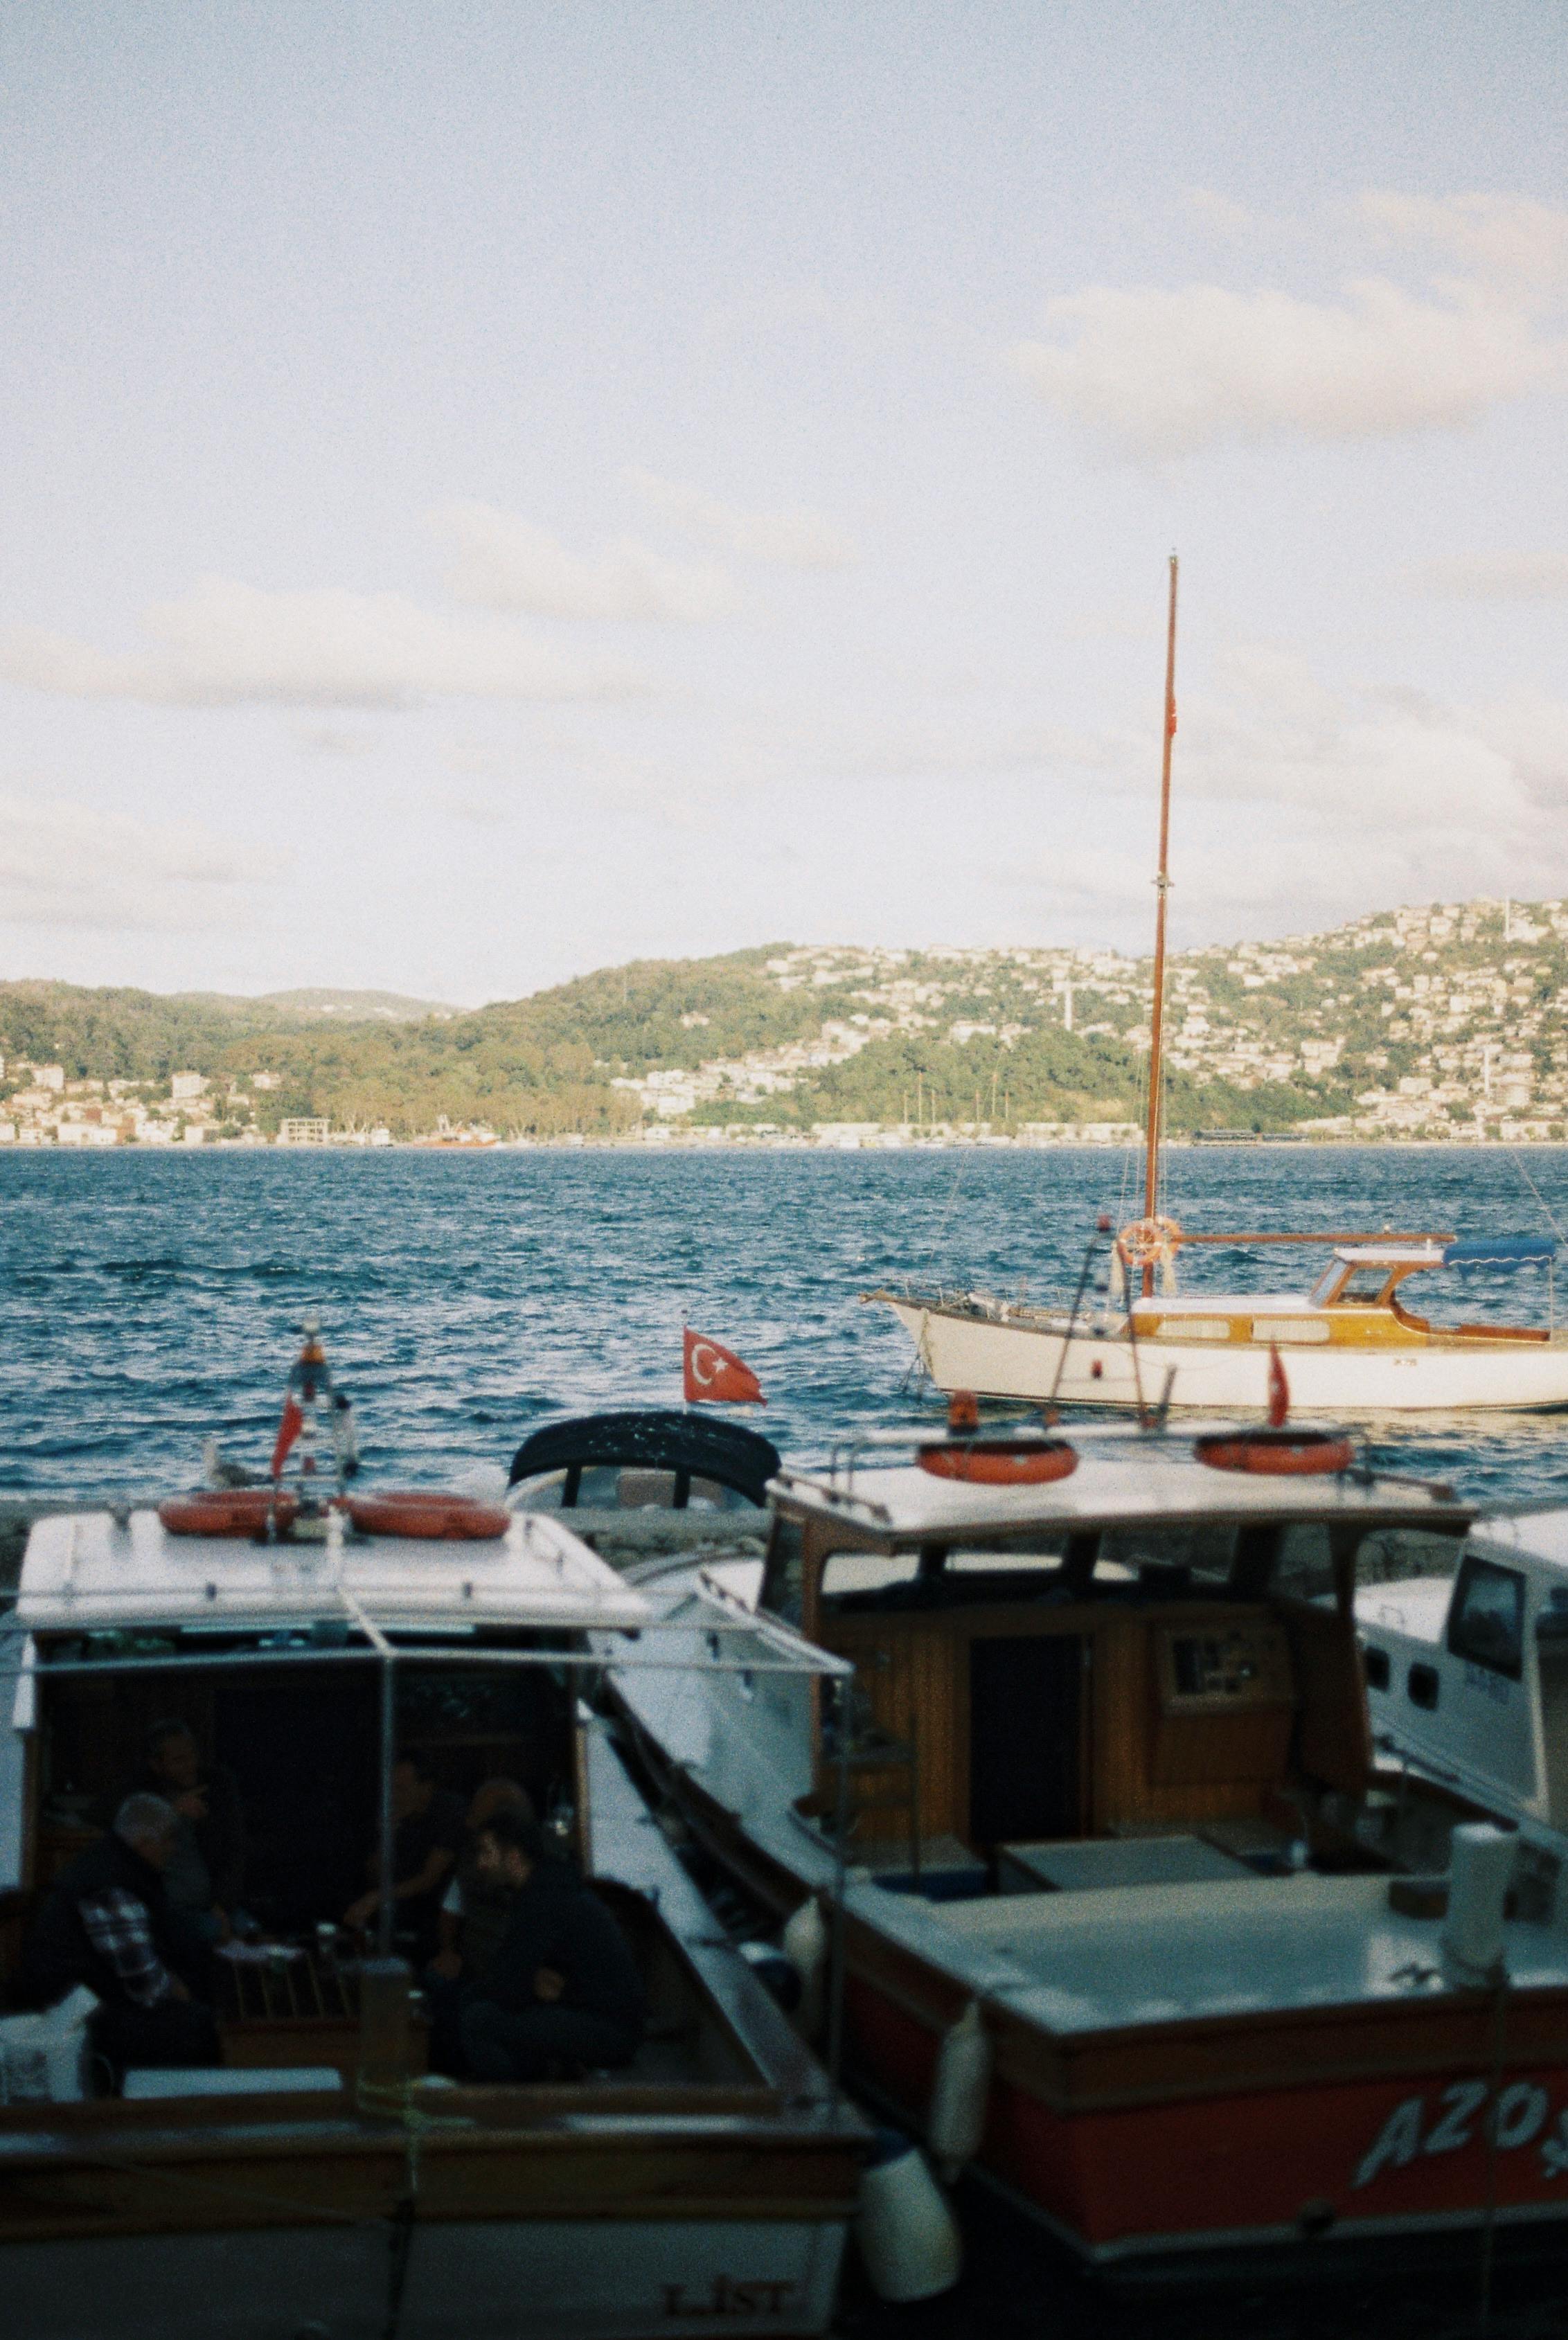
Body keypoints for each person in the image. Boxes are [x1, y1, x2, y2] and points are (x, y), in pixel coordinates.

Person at [26, 1793, 219, 2076]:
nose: (172, 1848)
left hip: (94, 1997)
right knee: (195, 2025)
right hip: (74, 2014)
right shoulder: (110, 1885)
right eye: (168, 1839)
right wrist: (179, 1990)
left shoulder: (117, 1865)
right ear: (143, 1842)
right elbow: (145, 1985)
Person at [455, 1809, 644, 2083]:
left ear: (513, 1855)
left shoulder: (544, 1900)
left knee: (479, 2020)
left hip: (609, 2029)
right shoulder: (545, 1889)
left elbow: (509, 1986)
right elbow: (517, 1977)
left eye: (487, 1852)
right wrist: (528, 1982)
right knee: (485, 2007)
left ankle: (514, 2109)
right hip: (587, 2013)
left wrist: (515, 1984)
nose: (481, 1863)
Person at [344, 1752, 464, 1962]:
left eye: (401, 1789)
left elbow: (429, 1880)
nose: (394, 1796)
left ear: (426, 1788)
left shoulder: (449, 1812)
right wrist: (387, 1838)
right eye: (391, 1788)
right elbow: (374, 1876)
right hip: (397, 1903)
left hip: (435, 1910)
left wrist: (377, 1897)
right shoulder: (392, 1811)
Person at [141, 1720, 247, 1941]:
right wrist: (172, 1810)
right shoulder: (144, 1794)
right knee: (211, 1933)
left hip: (214, 1903)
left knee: (251, 1932)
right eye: (179, 1760)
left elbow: (236, 1848)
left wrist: (221, 1904)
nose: (190, 1765)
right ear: (156, 1765)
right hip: (169, 1910)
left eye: (192, 1756)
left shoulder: (216, 1786)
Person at [429, 1778, 537, 1983]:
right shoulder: (470, 1860)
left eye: (476, 1815)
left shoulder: (543, 1873)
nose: (469, 1822)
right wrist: (448, 1951)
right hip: (474, 1967)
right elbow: (450, 1911)